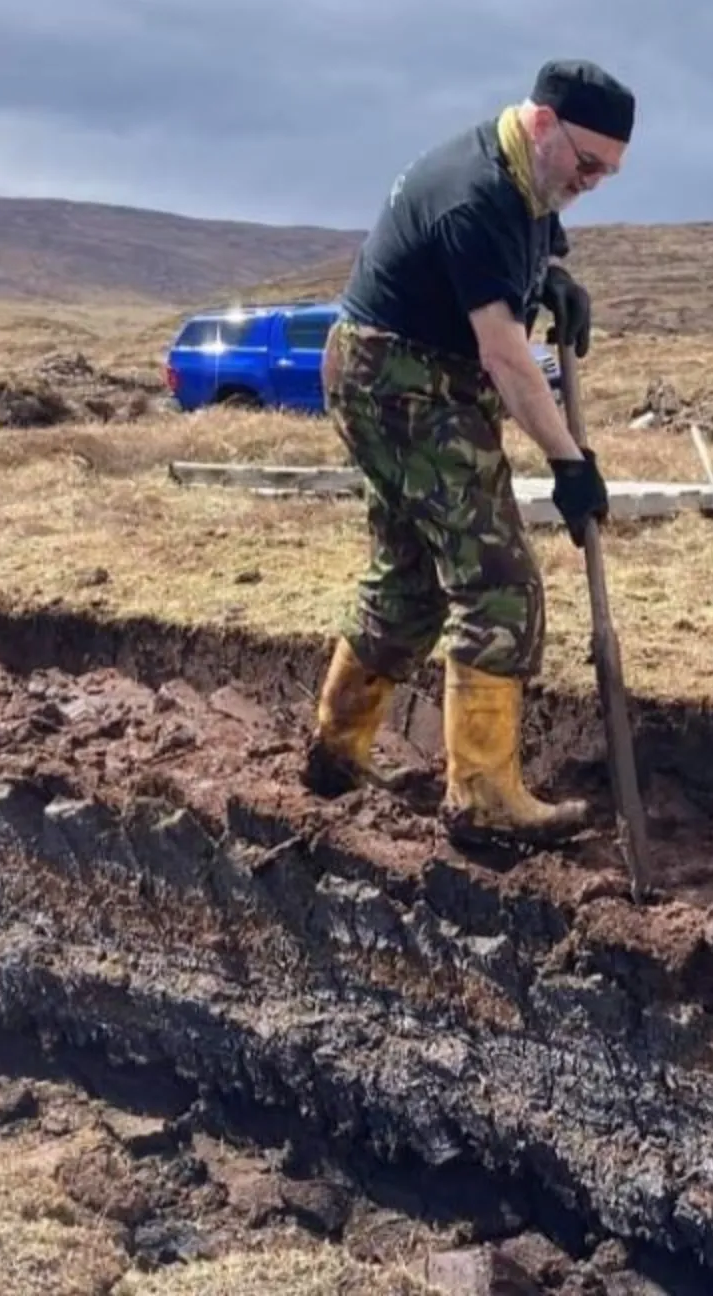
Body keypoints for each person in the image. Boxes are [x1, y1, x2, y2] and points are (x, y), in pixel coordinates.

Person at [300, 58, 631, 840]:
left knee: (410, 581)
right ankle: (481, 800)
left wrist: (547, 277)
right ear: (543, 123)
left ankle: (336, 749)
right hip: (402, 384)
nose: (591, 183)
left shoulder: (526, 173)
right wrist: (570, 464)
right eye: (587, 164)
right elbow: (507, 358)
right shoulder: (475, 193)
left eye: (608, 174)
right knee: (499, 585)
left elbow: (534, 231)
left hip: (397, 376)